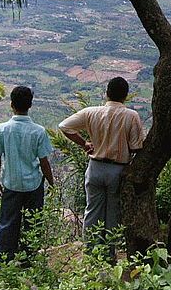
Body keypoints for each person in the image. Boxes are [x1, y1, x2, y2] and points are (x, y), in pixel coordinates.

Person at [58, 76, 144, 260]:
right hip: (117, 170)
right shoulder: (131, 116)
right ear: (125, 96)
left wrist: (84, 144)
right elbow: (137, 147)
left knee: (92, 210)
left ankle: (91, 253)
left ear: (107, 93)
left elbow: (64, 126)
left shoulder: (91, 112)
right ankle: (109, 254)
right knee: (112, 212)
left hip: (95, 167)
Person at [0, 85, 54, 270]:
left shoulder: (1, 130)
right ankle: (27, 264)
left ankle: (1, 266)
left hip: (11, 184)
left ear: (11, 105)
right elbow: (44, 162)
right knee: (32, 224)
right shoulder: (39, 131)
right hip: (33, 185)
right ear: (30, 105)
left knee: (7, 224)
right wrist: (51, 181)